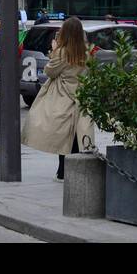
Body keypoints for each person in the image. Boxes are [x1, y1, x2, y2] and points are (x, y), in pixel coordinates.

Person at [21, 17, 94, 180]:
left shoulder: (62, 52)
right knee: (76, 135)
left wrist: (54, 51)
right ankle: (74, 170)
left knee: (63, 136)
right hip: (81, 95)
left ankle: (62, 171)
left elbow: (49, 71)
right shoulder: (86, 51)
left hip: (63, 95)